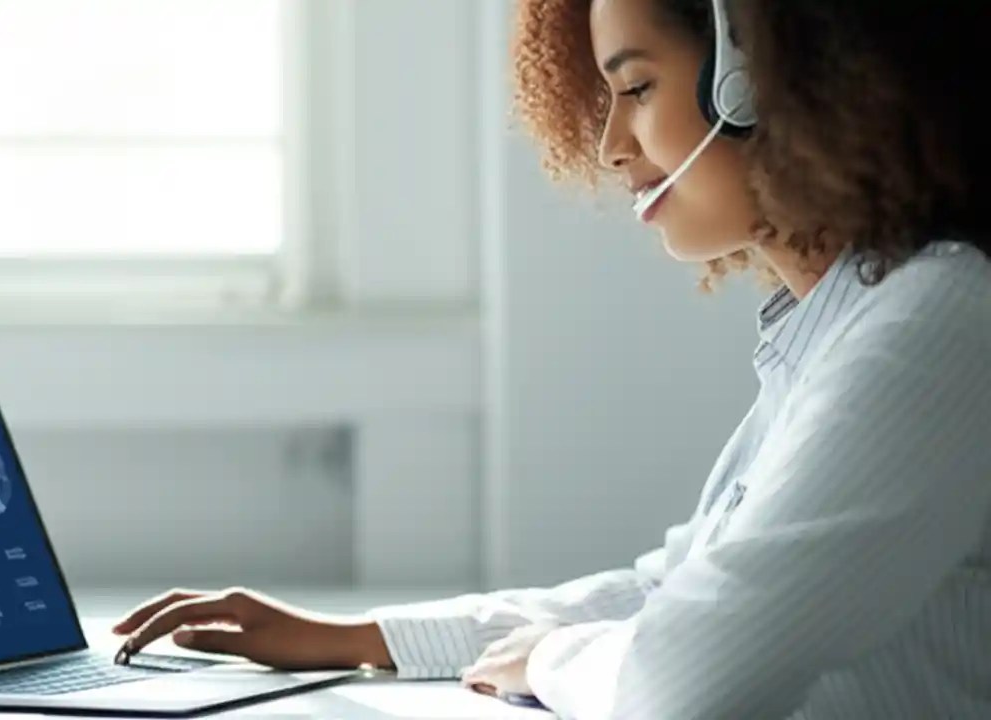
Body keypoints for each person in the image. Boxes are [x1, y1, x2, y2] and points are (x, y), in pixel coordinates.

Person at [111, 0, 991, 717]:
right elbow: (670, 591)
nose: (611, 145)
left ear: (755, 80)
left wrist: (554, 660)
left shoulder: (941, 318)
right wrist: (358, 638)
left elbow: (681, 681)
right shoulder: (842, 327)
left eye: (637, 87)